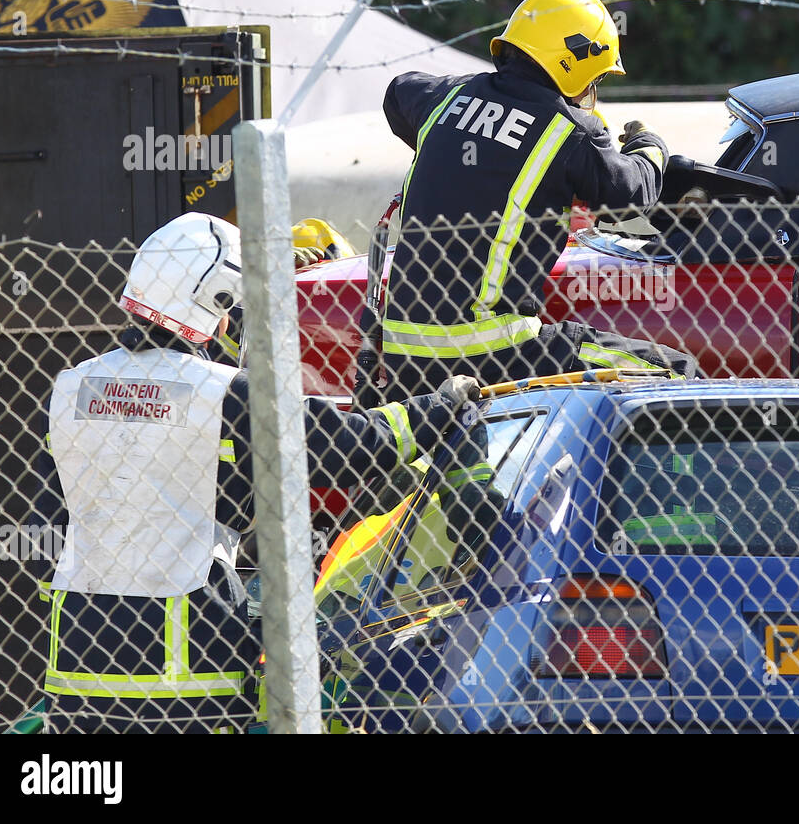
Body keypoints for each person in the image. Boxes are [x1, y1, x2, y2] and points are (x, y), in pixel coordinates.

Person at [31, 213, 480, 733]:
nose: (229, 327)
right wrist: (437, 407)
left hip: (75, 668)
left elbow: (54, 523)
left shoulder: (71, 388)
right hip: (185, 678)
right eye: (231, 309)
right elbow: (353, 447)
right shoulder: (225, 392)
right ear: (213, 300)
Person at [377, 0, 699, 396]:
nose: (592, 92)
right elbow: (631, 196)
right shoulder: (569, 133)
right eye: (595, 79)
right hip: (493, 350)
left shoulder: (446, 96)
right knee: (676, 372)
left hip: (406, 352)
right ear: (575, 66)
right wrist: (651, 147)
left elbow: (398, 92)